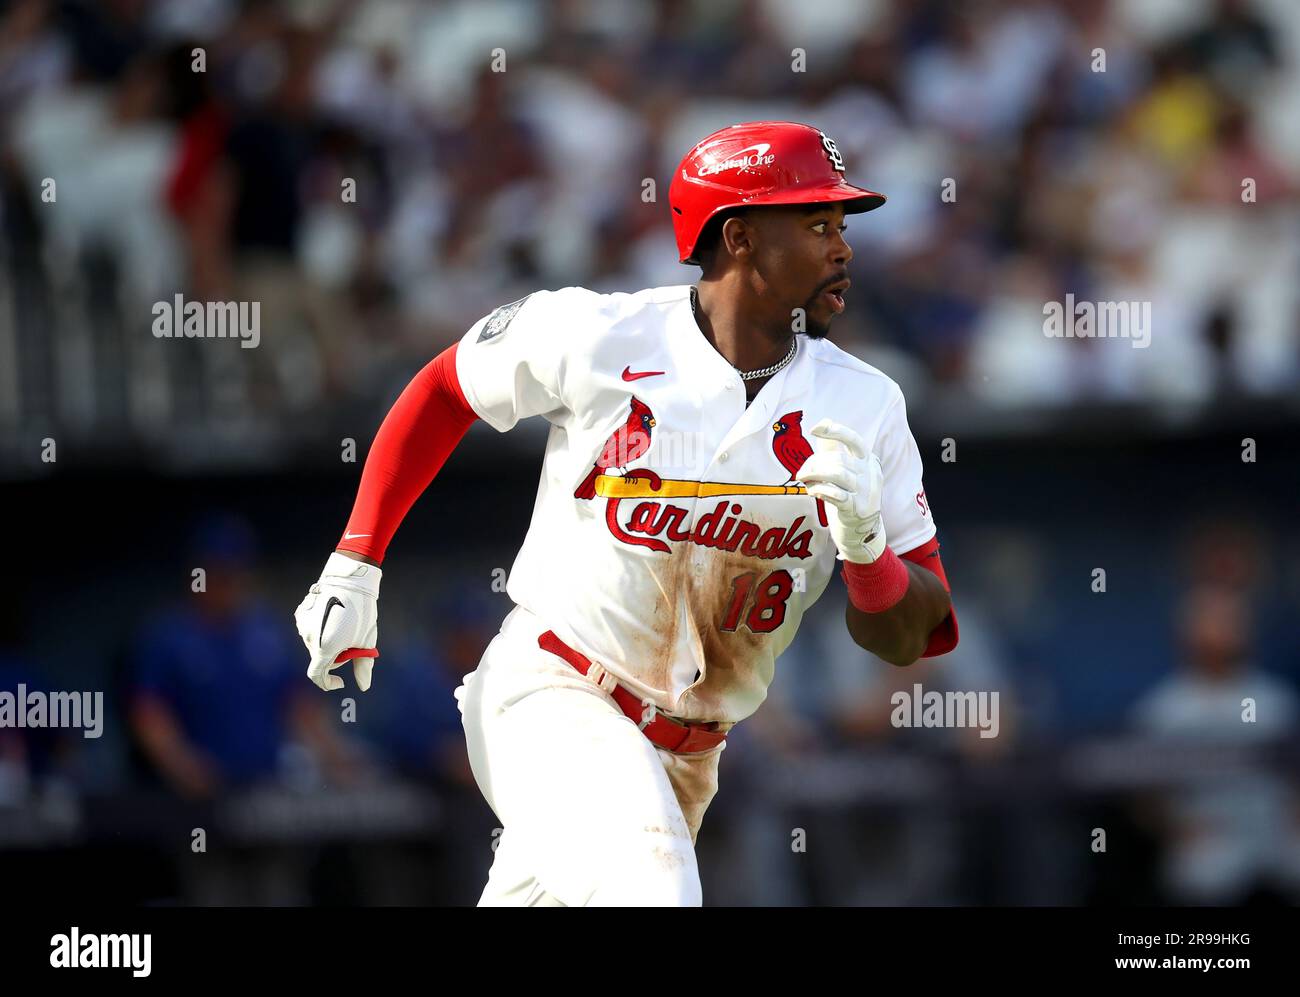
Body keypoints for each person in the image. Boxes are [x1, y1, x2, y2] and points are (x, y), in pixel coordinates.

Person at [294, 121, 959, 906]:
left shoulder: (867, 404)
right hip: (554, 692)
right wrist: (357, 558)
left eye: (842, 226)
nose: (842, 247)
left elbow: (913, 633)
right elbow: (446, 388)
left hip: (689, 755)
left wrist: (866, 547)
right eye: (817, 224)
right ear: (739, 237)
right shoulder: (602, 335)